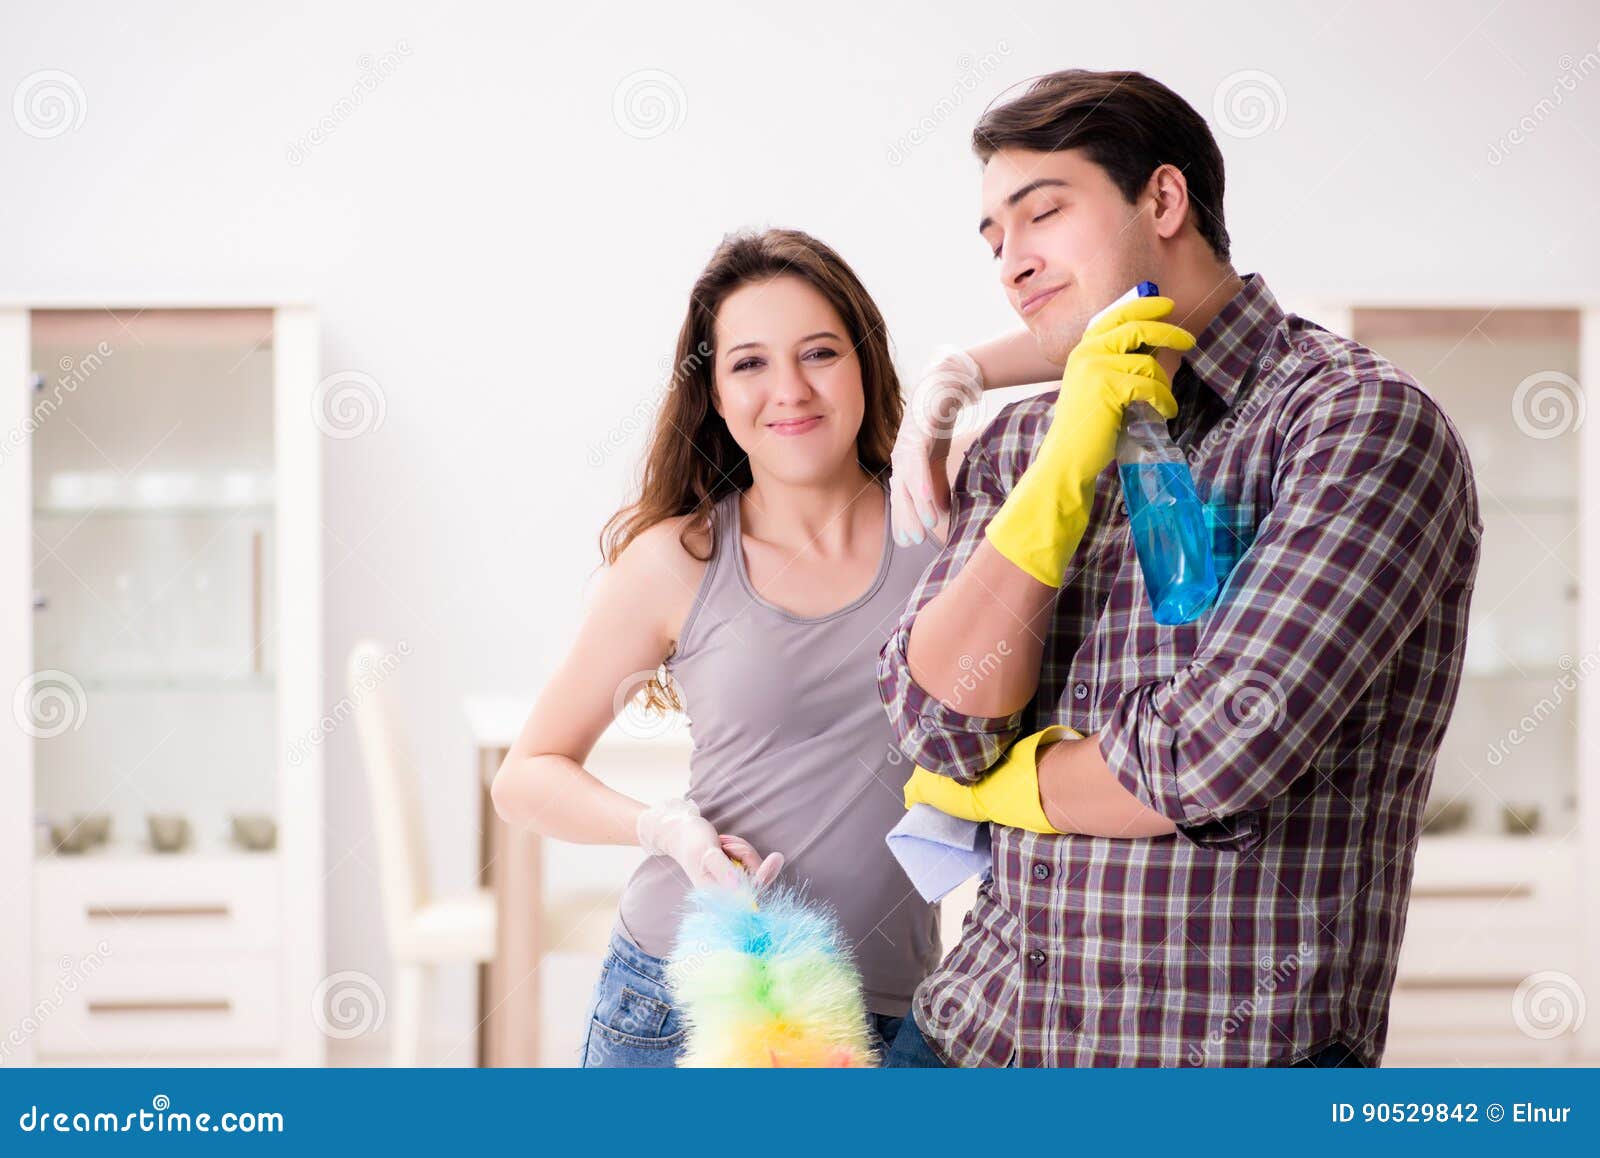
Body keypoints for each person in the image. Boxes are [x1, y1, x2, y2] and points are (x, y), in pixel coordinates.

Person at [877, 69, 1483, 1067]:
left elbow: (1213, 752)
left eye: (1041, 214)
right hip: (964, 1048)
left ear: (1162, 200)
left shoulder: (1351, 425)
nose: (1011, 263)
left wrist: (1013, 786)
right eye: (993, 240)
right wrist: (1057, 477)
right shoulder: (1025, 441)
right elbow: (938, 725)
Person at [491, 228, 966, 1067]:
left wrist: (970, 376)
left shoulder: (946, 529)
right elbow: (526, 777)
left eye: (819, 352)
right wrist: (664, 829)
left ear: (866, 366)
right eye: (749, 363)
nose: (789, 389)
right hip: (686, 1005)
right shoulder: (680, 562)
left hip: (892, 1017)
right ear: (711, 393)